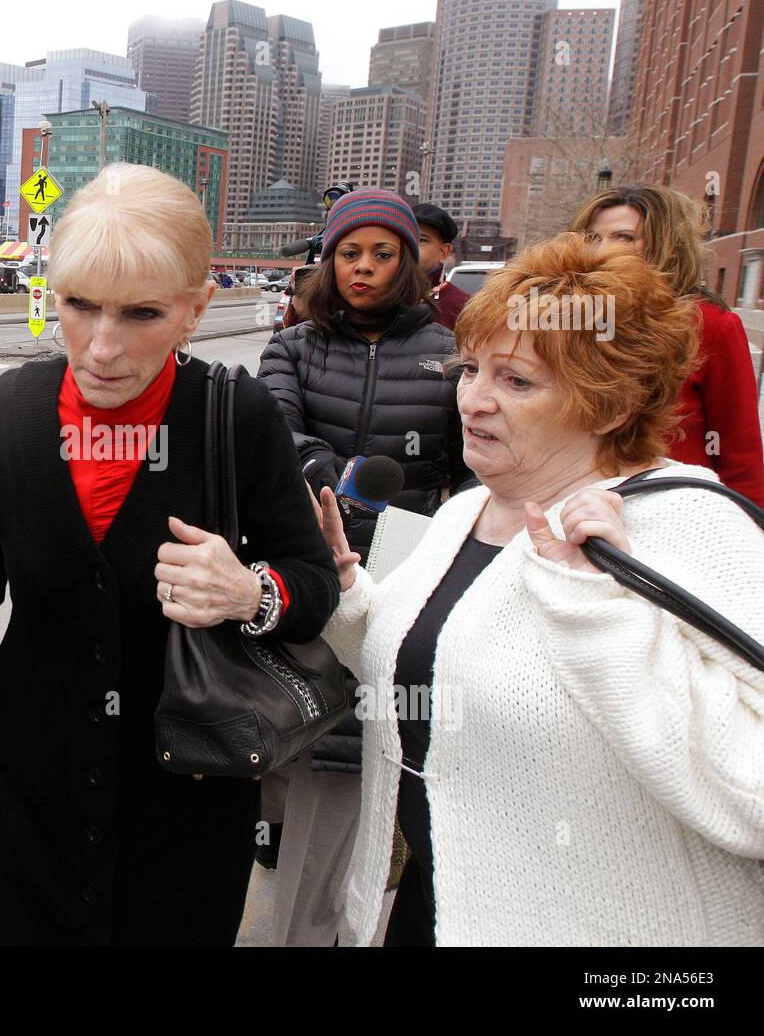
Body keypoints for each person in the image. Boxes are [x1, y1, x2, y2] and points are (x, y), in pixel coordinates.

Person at [0, 164, 337, 947]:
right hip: (30, 783)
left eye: (141, 313)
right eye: (80, 306)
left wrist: (248, 592)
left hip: (185, 797)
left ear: (195, 309)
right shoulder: (10, 410)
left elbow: (313, 585)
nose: (102, 347)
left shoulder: (235, 417)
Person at [322, 232, 764, 946]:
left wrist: (598, 613)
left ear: (611, 406)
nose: (475, 400)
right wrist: (342, 590)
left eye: (516, 382)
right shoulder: (468, 508)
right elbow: (428, 664)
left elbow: (752, 795)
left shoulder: (687, 527)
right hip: (439, 912)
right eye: (471, 370)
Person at [257, 187, 470, 946]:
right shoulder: (294, 346)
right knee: (306, 753)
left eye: (383, 254)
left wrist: (456, 538)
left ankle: (362, 917)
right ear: (329, 258)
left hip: (409, 575)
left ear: (410, 263)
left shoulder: (451, 353)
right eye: (350, 252)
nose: (364, 268)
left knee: (381, 758)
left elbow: (472, 466)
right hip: (309, 569)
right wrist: (335, 476)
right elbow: (277, 435)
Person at [569, 184, 764, 507]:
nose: (602, 248)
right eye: (592, 237)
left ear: (664, 244)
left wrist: (751, 527)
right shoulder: (566, 318)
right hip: (576, 501)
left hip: (676, 508)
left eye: (624, 237)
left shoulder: (710, 324)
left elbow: (739, 448)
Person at [412, 202, 469, 329]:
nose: (410, 246)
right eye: (406, 237)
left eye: (422, 240)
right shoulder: (379, 296)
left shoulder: (463, 308)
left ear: (444, 252)